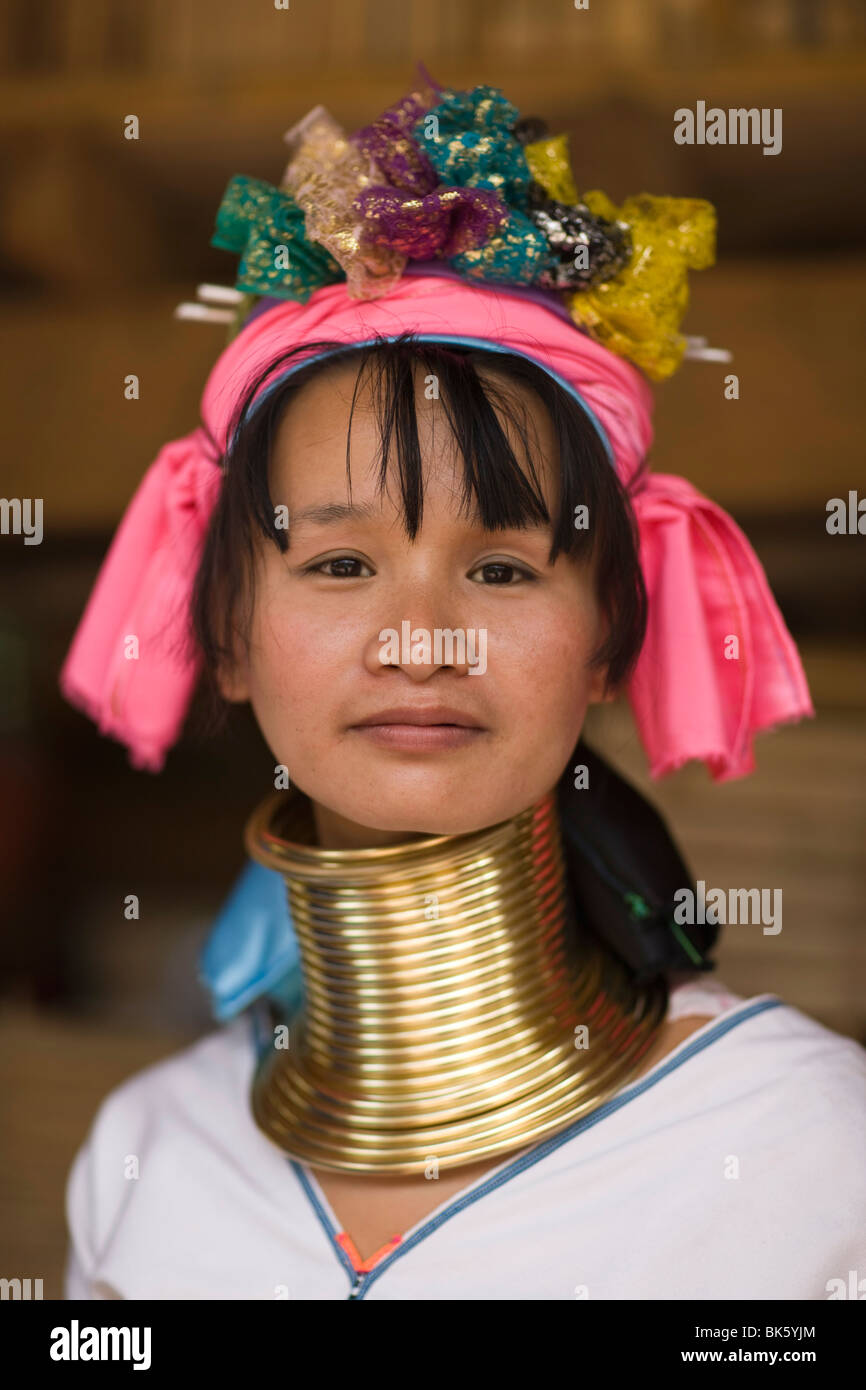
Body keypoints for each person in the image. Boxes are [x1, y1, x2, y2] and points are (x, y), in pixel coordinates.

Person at [58, 70, 865, 1300]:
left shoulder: (801, 1140)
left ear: (604, 634)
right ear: (223, 627)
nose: (422, 641)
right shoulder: (149, 1153)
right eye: (337, 563)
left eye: (498, 567)